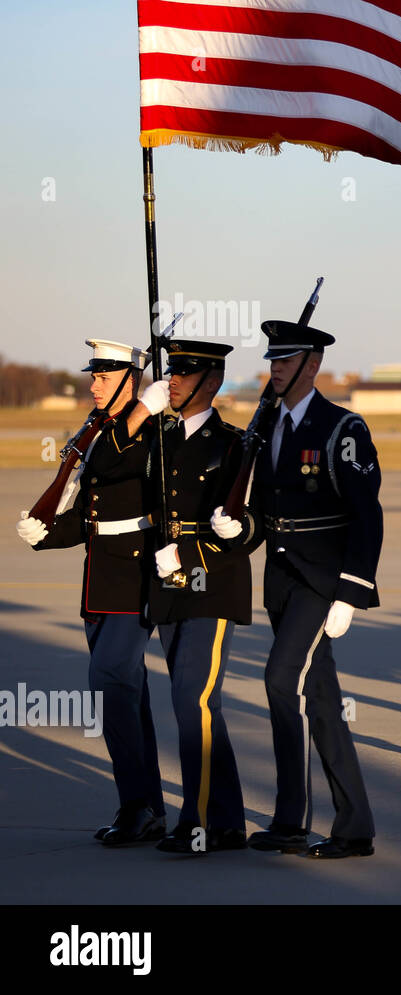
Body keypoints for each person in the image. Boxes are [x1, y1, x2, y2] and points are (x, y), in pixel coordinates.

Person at [218, 318, 383, 856]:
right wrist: (238, 530)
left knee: (280, 681)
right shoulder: (265, 430)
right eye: (273, 361)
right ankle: (348, 826)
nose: (276, 369)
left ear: (312, 366)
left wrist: (351, 591)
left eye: (286, 362)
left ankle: (295, 815)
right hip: (282, 581)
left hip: (323, 581)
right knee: (320, 699)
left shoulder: (342, 427)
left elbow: (366, 514)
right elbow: (265, 514)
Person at [16, 340, 167, 846]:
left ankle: (135, 804)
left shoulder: (151, 433)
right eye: (94, 375)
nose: (93, 384)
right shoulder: (99, 429)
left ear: (131, 379)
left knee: (109, 684)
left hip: (135, 579)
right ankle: (150, 807)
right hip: (98, 583)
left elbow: (127, 470)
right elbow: (91, 515)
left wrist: (144, 409)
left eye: (104, 377)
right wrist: (48, 534)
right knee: (131, 697)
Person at [131, 339, 249, 854]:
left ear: (212, 383)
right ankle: (227, 822)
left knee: (191, 700)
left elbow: (251, 526)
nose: (171, 381)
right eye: (171, 371)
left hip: (210, 583)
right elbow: (101, 464)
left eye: (184, 374)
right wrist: (140, 412)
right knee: (204, 708)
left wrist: (215, 537)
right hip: (165, 583)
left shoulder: (236, 444)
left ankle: (195, 823)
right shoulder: (156, 436)